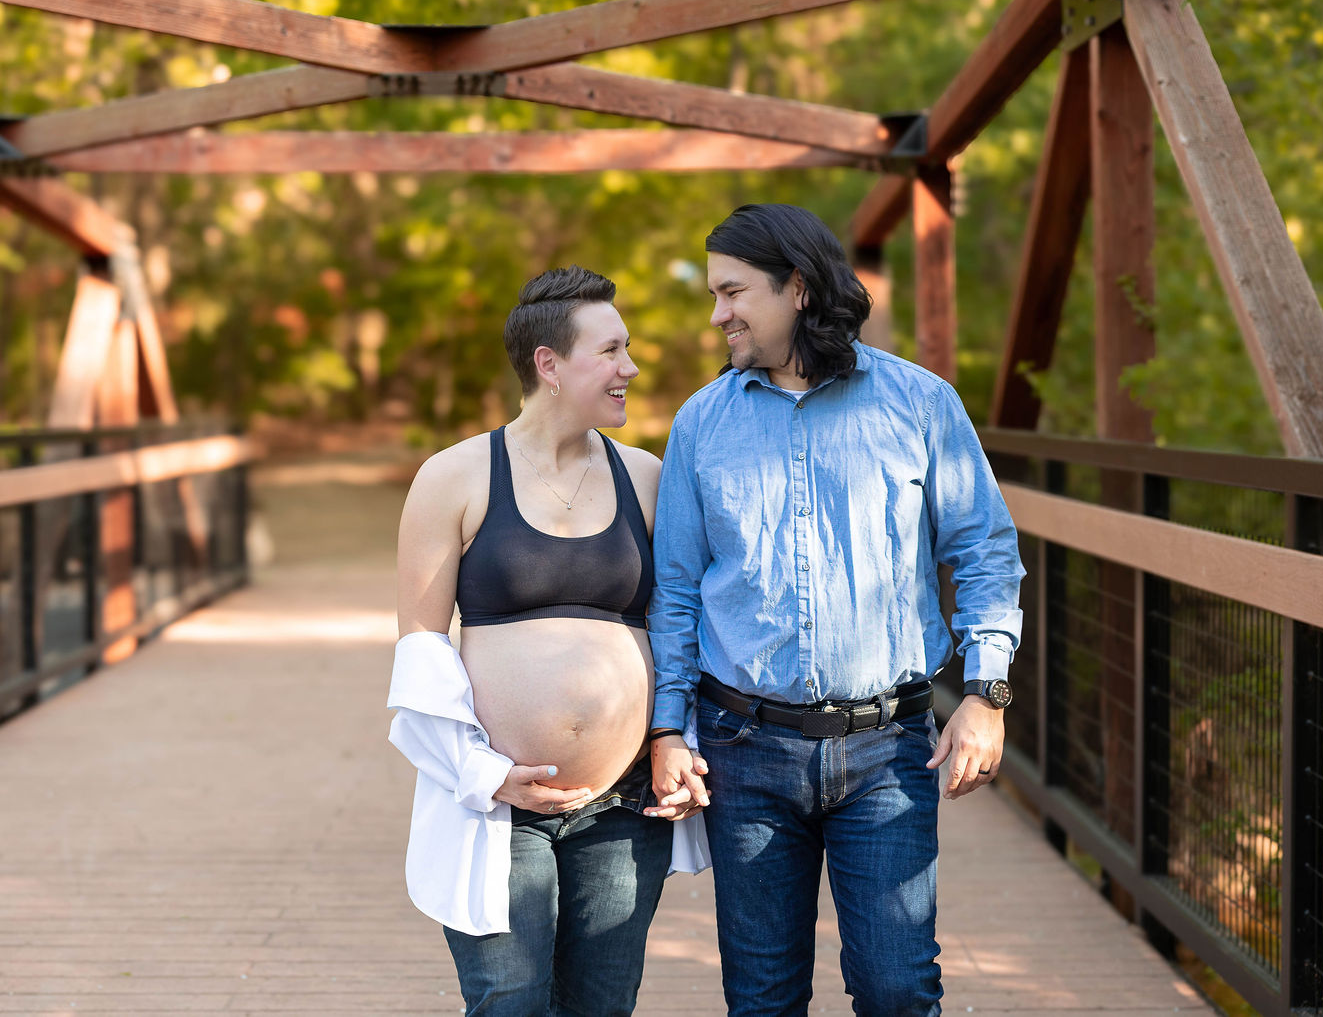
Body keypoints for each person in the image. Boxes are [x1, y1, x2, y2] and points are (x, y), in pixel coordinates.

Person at [646, 204, 1025, 1016]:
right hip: (742, 751)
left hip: (887, 751)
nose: (717, 314)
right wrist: (667, 726)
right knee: (763, 997)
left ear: (799, 289)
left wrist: (987, 697)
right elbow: (674, 590)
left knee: (897, 989)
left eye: (732, 292)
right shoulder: (701, 425)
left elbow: (986, 553)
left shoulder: (921, 404)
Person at [389, 265, 709, 1017]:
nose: (631, 368)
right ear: (549, 364)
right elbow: (420, 647)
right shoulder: (455, 476)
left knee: (603, 1005)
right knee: (511, 1002)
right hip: (495, 804)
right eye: (612, 350)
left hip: (625, 803)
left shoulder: (648, 478)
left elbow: (682, 623)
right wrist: (481, 772)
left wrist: (674, 737)